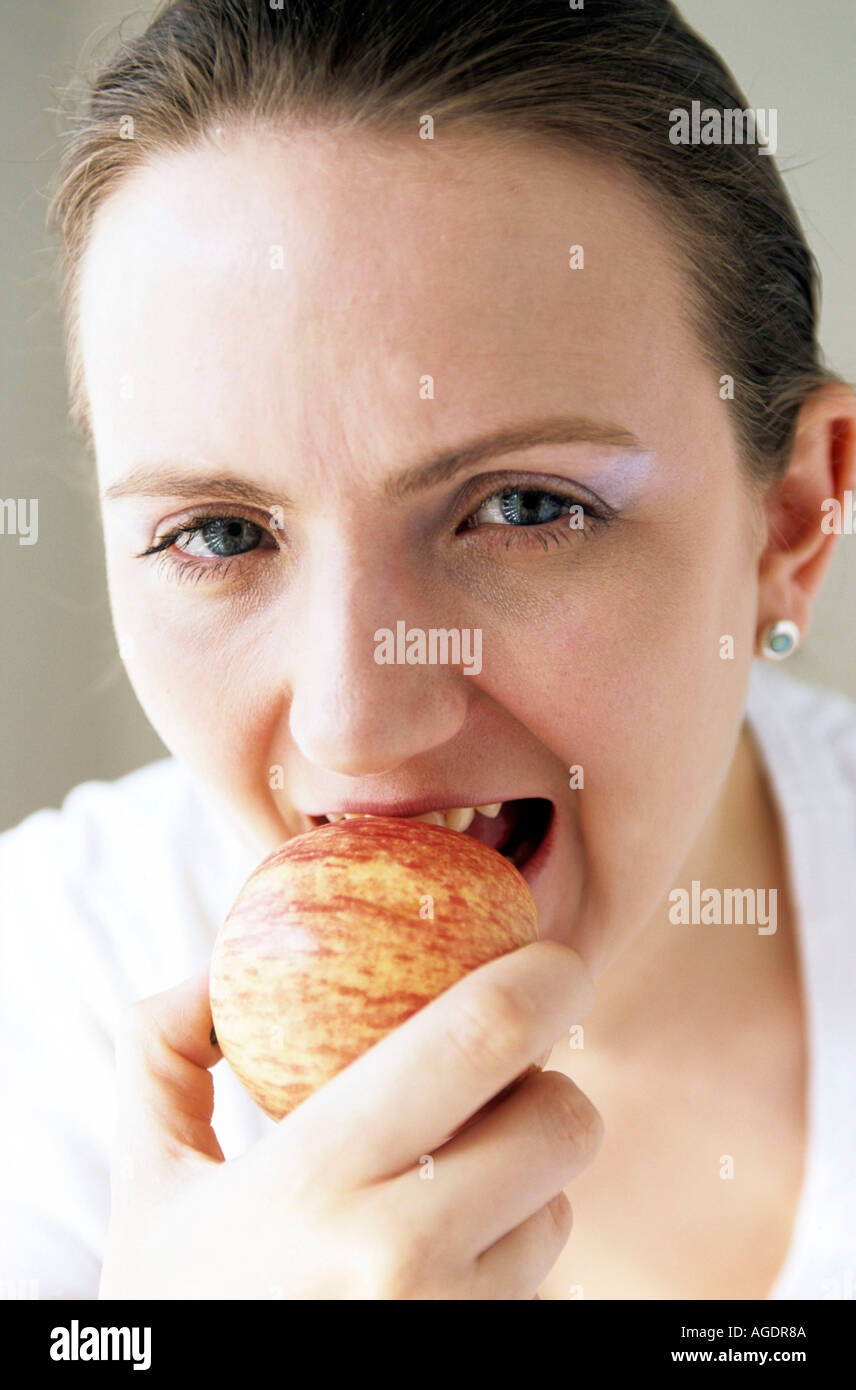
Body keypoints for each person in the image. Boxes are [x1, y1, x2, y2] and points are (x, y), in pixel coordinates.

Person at [1, 0, 854, 1301]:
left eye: (525, 507)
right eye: (219, 530)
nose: (354, 720)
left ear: (793, 520)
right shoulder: (41, 989)